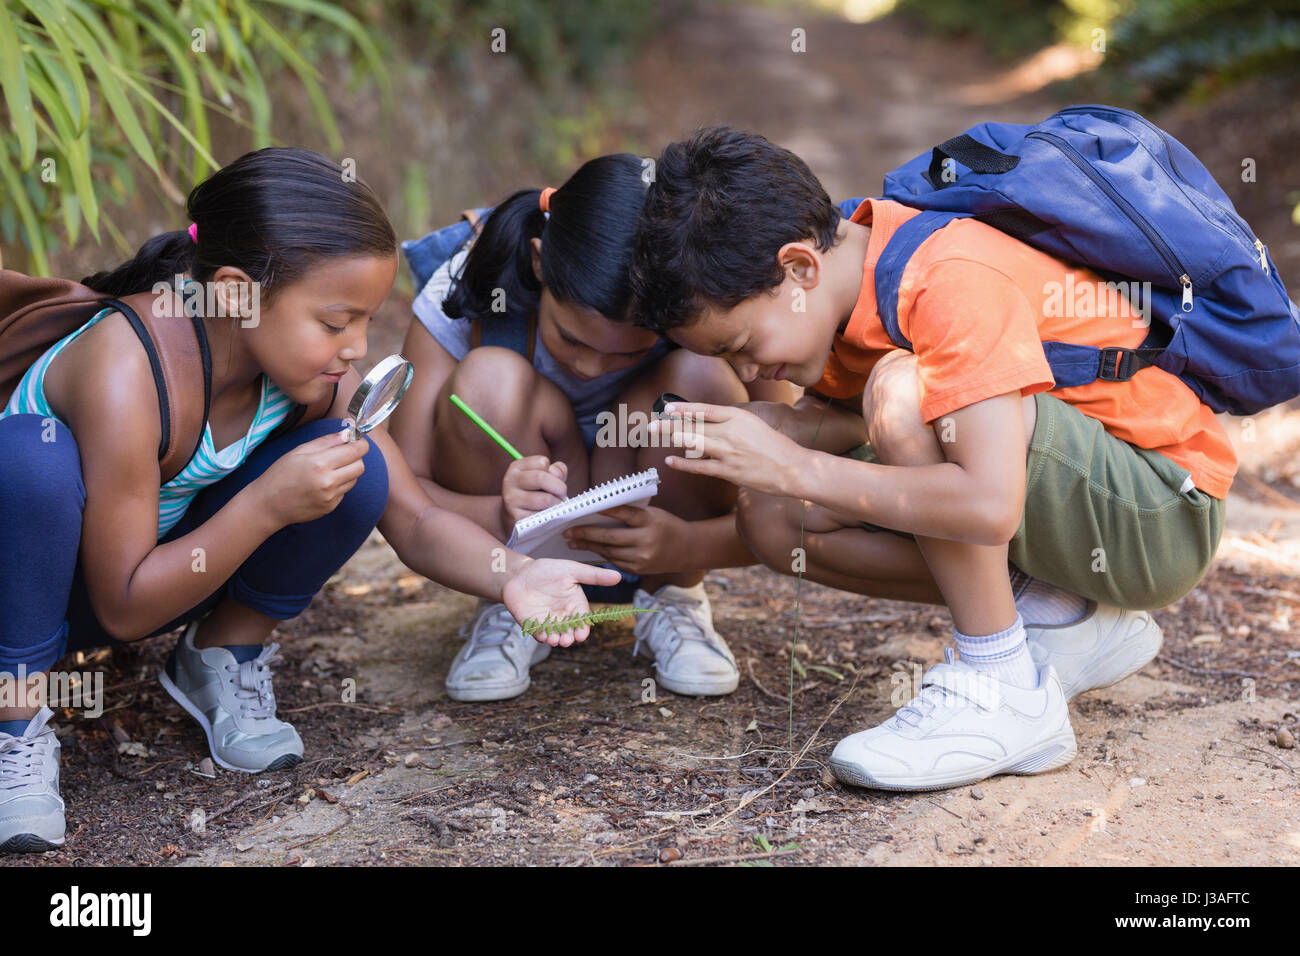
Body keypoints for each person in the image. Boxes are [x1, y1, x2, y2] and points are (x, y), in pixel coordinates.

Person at [0, 147, 617, 853]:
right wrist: (264, 505)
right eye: (335, 322)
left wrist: (517, 573)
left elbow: (414, 519)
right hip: (35, 590)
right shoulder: (127, 367)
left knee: (357, 465)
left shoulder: (302, 377)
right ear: (234, 291)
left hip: (144, 582)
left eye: (365, 321)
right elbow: (122, 605)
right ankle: (13, 722)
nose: (356, 348)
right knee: (31, 458)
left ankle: (219, 659)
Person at [629, 127, 1233, 792]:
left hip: (1157, 512)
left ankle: (1001, 684)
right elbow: (849, 432)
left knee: (902, 390)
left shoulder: (946, 277)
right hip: (1077, 499)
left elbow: (986, 503)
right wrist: (776, 430)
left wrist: (793, 463)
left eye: (741, 344)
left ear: (799, 267)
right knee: (773, 515)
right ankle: (1067, 616)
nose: (747, 368)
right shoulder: (843, 291)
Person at [389, 153, 792, 703]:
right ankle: (511, 596)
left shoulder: (703, 306)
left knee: (701, 377)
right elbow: (404, 485)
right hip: (516, 539)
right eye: (571, 340)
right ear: (538, 264)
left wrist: (689, 545)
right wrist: (500, 514)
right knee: (487, 380)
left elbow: (786, 469)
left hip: (657, 528)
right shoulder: (470, 287)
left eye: (627, 353)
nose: (590, 367)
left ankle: (672, 597)